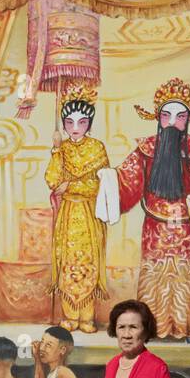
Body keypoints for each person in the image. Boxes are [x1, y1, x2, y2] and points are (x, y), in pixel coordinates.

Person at [96, 79, 190, 343]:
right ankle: (152, 329)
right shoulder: (145, 151)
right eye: (166, 115)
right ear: (158, 117)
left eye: (180, 116)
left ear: (189, 119)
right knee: (155, 280)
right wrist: (110, 178)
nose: (172, 123)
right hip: (155, 230)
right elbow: (128, 183)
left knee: (188, 281)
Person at [44, 84, 109, 333]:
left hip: (90, 214)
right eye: (69, 122)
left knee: (88, 263)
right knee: (68, 263)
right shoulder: (63, 148)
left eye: (81, 123)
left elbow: (97, 184)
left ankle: (87, 317)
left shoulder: (97, 148)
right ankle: (70, 316)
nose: (74, 128)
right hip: (68, 214)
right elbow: (52, 180)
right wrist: (56, 150)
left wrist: (71, 184)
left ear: (89, 124)